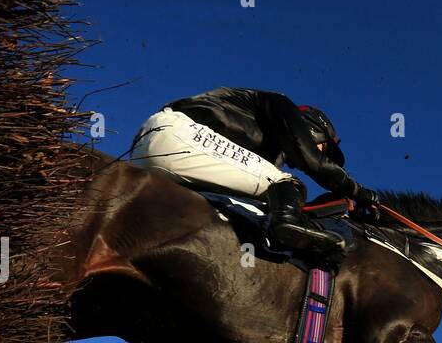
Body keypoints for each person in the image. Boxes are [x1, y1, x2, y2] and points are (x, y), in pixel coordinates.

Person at [128, 87, 381, 262]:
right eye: (325, 149)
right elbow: (314, 163)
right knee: (285, 183)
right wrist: (359, 192)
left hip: (150, 149)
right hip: (177, 134)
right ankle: (287, 227)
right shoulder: (282, 105)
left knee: (259, 203)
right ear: (316, 129)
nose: (325, 156)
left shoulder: (261, 151)